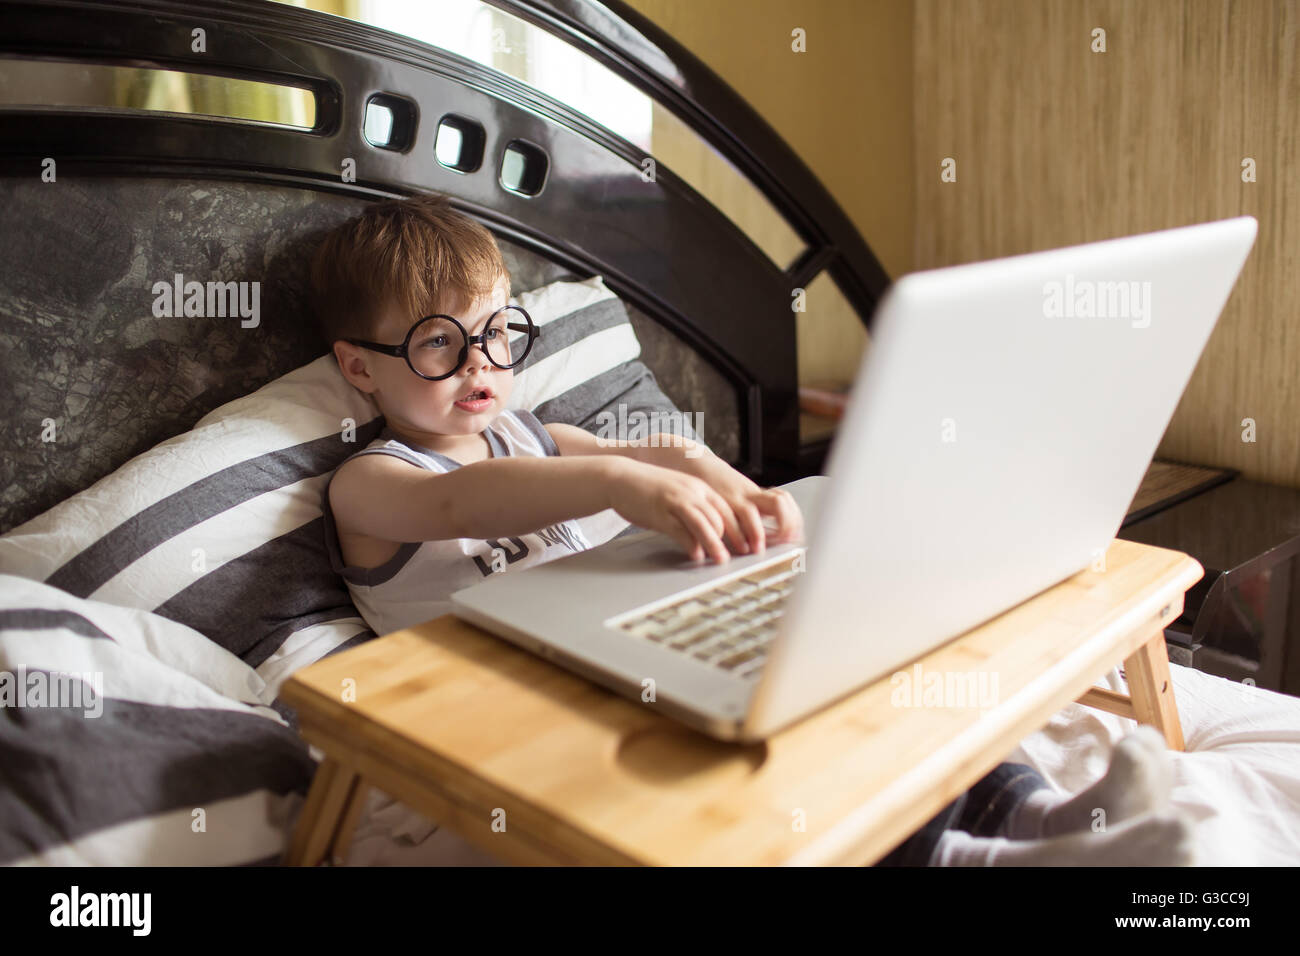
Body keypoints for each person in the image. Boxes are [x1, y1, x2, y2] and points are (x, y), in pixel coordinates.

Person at [310, 192, 1196, 866]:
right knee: (768, 766)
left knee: (843, 681)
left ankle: (1049, 817)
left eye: (500, 333)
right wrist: (617, 481)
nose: (482, 365)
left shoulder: (526, 429)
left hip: (610, 663)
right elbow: (468, 505)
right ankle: (978, 860)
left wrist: (722, 482)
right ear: (359, 366)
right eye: (438, 344)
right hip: (509, 715)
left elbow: (650, 449)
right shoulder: (374, 484)